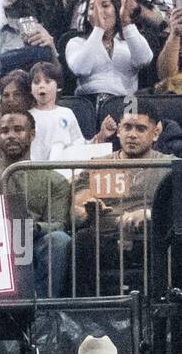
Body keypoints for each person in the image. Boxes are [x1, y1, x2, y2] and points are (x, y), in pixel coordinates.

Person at [70, 103, 172, 294]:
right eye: (127, 127)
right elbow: (76, 213)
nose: (132, 135)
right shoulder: (97, 166)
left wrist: (152, 214)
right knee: (82, 240)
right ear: (118, 130)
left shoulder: (170, 167)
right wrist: (87, 212)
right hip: (107, 240)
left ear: (155, 133)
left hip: (151, 240)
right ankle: (86, 317)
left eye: (141, 129)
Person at [0, 109, 72, 298]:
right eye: (5, 131)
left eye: (18, 129)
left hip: (33, 242)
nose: (11, 136)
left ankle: (43, 311)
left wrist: (36, 228)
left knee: (59, 240)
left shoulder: (54, 180)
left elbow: (59, 224)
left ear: (32, 135)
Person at [63, 0, 153, 97]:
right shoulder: (76, 43)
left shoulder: (129, 39)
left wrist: (126, 23)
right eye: (92, 8)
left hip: (124, 104)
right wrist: (98, 29)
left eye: (105, 6)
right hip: (89, 103)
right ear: (87, 16)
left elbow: (144, 60)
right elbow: (81, 69)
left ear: (116, 10)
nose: (100, 12)